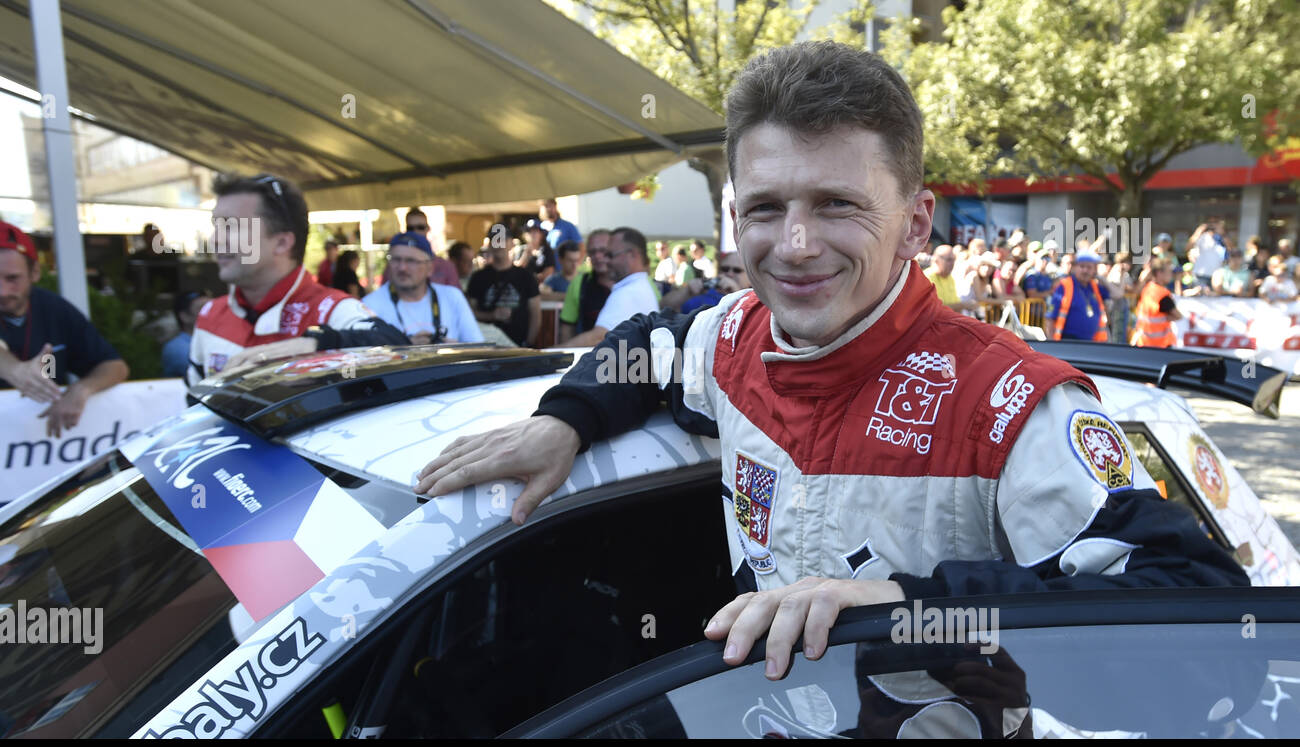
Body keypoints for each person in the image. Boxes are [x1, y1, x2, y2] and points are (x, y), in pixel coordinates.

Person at [414, 42, 1245, 683]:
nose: (796, 246)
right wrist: (566, 420)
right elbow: (654, 345)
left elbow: (1197, 614)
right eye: (767, 208)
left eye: (838, 205)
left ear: (918, 224)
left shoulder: (1009, 400)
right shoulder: (732, 337)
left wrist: (908, 609)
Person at [189, 174, 407, 383]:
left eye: (231, 227)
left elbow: (401, 352)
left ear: (282, 243)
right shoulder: (211, 314)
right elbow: (194, 403)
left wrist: (317, 343)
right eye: (215, 226)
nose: (215, 240)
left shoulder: (330, 309)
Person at [0, 221, 130, 437]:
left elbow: (114, 366)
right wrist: (15, 370)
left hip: (40, 445)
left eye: (12, 278)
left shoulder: (53, 307)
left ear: (34, 272)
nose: (3, 291)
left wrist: (82, 389)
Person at [363, 232, 480, 344]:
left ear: (430, 268)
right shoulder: (369, 306)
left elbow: (479, 348)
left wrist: (456, 351)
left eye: (411, 261)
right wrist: (406, 347)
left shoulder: (452, 297)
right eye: (396, 260)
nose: (402, 267)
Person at [556, 227, 659, 347]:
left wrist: (552, 354)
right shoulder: (638, 285)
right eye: (592, 252)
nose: (602, 258)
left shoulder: (629, 291)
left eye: (608, 254)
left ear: (632, 255)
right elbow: (567, 327)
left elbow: (598, 337)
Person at [466, 223, 540, 347]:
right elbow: (469, 313)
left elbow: (536, 313)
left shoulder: (526, 277)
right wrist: (491, 315)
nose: (498, 243)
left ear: (512, 243)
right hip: (486, 346)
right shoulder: (478, 278)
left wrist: (528, 344)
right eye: (494, 239)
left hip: (518, 346)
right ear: (488, 245)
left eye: (502, 239)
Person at [1045, 249, 1109, 341]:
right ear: (1075, 267)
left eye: (1089, 267)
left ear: (1094, 270)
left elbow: (1117, 294)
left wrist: (1101, 278)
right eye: (1082, 266)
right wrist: (1052, 344)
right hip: (1068, 343)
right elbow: (1050, 318)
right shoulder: (1064, 286)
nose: (1085, 270)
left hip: (1092, 343)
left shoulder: (1095, 287)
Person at [1130, 258, 1182, 348]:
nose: (1171, 275)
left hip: (1143, 342)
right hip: (1160, 345)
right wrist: (1165, 318)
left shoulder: (1148, 288)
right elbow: (1178, 316)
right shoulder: (1162, 295)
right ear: (1159, 273)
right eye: (1168, 272)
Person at [405, 208, 461, 289]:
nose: (415, 231)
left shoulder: (446, 266)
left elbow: (455, 298)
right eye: (410, 228)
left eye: (420, 227)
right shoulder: (396, 267)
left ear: (428, 228)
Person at [162, 290, 210, 378]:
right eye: (202, 308)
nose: (212, 313)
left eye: (213, 307)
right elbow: (208, 374)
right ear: (185, 316)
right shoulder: (177, 348)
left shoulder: (213, 341)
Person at [515, 218, 556, 285]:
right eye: (529, 231)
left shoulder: (547, 251)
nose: (532, 234)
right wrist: (526, 255)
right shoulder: (521, 250)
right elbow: (516, 270)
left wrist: (531, 278)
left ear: (541, 234)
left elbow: (549, 271)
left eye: (535, 231)